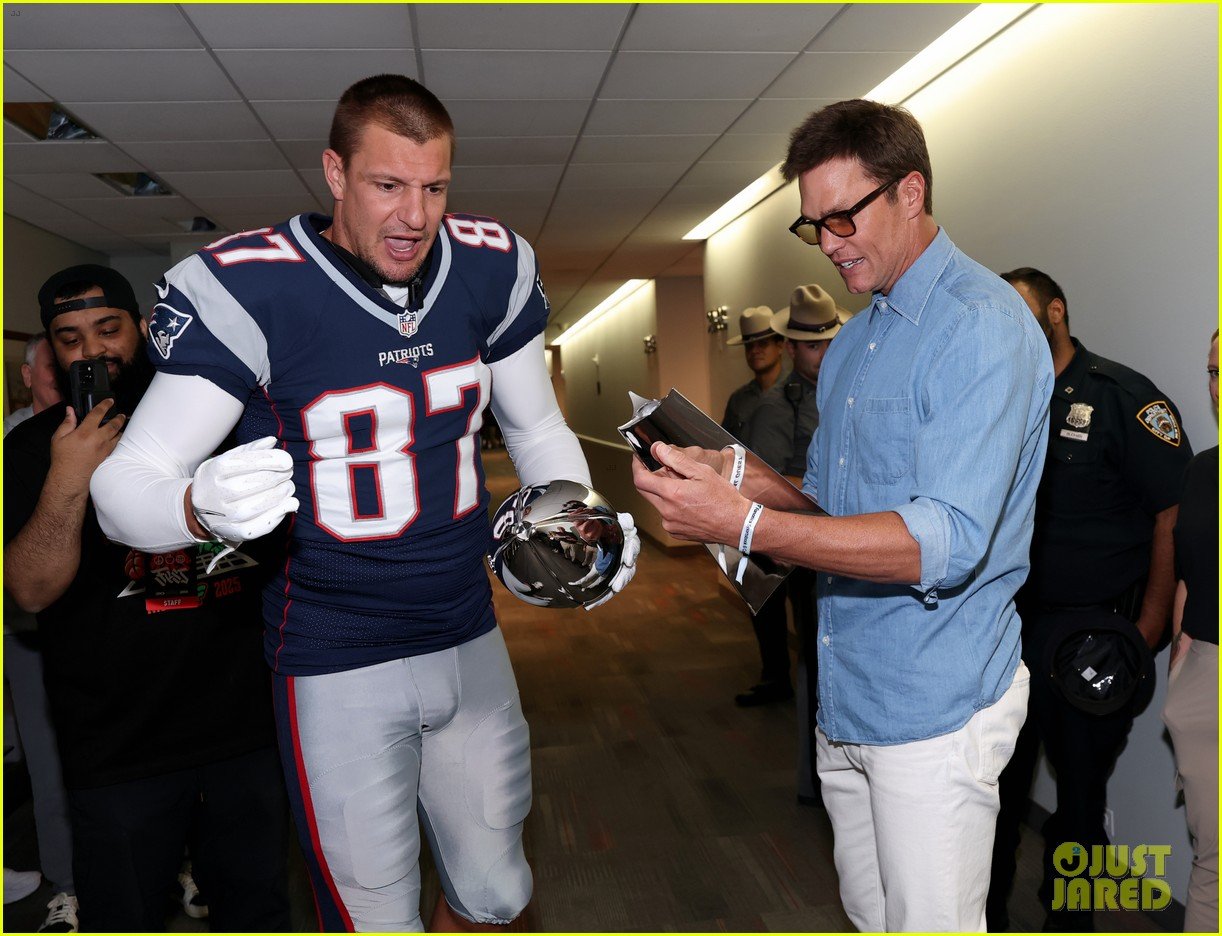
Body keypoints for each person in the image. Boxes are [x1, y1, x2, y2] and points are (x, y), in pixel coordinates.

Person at [90, 74, 639, 932]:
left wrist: (579, 513)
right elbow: (123, 487)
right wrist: (197, 507)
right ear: (335, 174)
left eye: (434, 188)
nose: (415, 215)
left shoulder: (490, 265)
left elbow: (534, 429)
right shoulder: (252, 287)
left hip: (469, 632)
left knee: (499, 895)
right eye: (389, 185)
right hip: (334, 654)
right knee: (373, 914)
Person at [633, 98, 1052, 931]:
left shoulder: (982, 327)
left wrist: (740, 526)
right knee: (868, 916)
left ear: (910, 192)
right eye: (812, 226)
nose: (828, 243)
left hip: (935, 708)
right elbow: (832, 509)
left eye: (842, 217)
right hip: (849, 693)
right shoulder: (857, 342)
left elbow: (947, 542)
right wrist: (746, 479)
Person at [3, 265, 291, 933]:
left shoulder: (219, 421)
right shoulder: (29, 449)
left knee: (259, 911)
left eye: (109, 329)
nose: (94, 351)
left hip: (242, 729)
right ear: (51, 351)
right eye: (69, 339)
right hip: (115, 746)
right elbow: (31, 589)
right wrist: (68, 478)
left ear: (142, 329)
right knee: (125, 916)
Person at [987, 267, 1193, 932]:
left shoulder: (1122, 397)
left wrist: (1151, 625)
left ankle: (1068, 924)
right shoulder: (996, 397)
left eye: (1022, 312)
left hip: (1091, 637)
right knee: (994, 788)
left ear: (1056, 312)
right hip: (1006, 632)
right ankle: (984, 914)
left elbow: (1171, 512)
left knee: (1079, 801)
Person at [741, 283, 846, 798]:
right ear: (790, 346)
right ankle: (817, 781)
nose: (822, 353)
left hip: (860, 544)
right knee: (818, 661)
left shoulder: (849, 386)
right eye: (811, 345)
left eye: (829, 340)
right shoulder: (776, 409)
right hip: (809, 550)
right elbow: (767, 491)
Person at [4, 332, 78, 932]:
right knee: (50, 759)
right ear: (28, 377)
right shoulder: (13, 442)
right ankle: (69, 885)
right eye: (54, 364)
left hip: (100, 624)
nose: (70, 372)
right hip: (28, 628)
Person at [1162, 329, 1218, 933]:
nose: (1217, 387)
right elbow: (1188, 576)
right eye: (1212, 372)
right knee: (1214, 861)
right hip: (1207, 677)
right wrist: (1180, 671)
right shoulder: (1203, 473)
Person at [721, 306, 793, 706]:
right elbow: (726, 451)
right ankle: (775, 679)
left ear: (781, 345)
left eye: (764, 342)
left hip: (799, 513)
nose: (756, 351)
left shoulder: (799, 391)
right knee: (763, 600)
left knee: (809, 606)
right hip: (754, 517)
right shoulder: (740, 400)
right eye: (750, 345)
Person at [5, 332, 61, 433]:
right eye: (52, 365)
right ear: (28, 374)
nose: (62, 375)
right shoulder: (10, 434)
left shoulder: (89, 423)